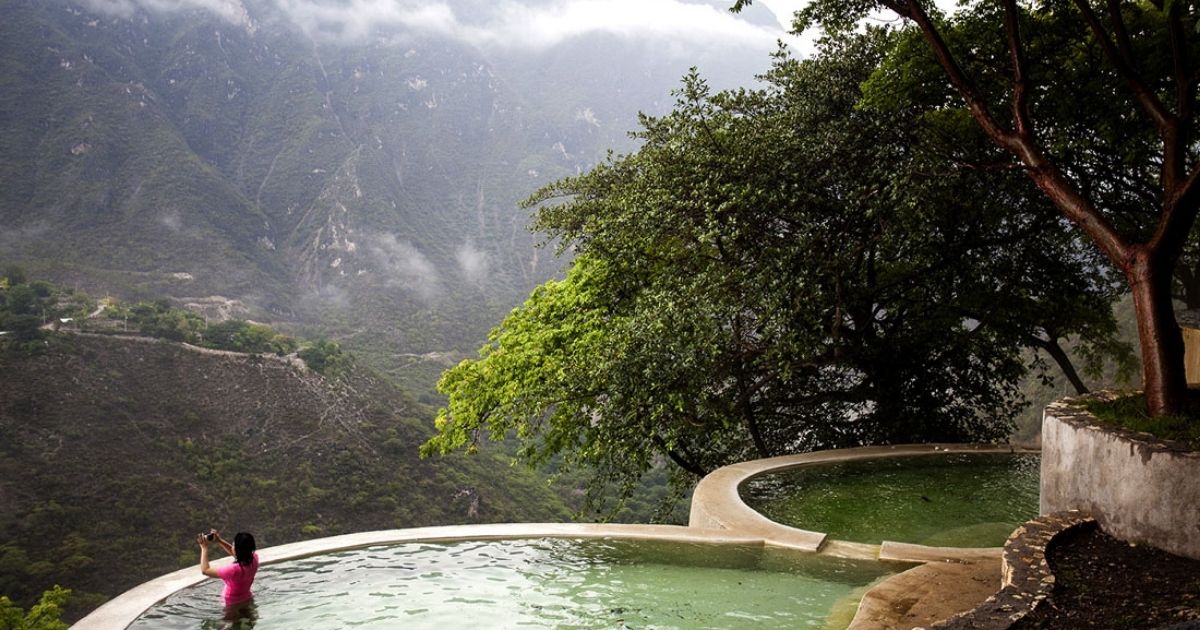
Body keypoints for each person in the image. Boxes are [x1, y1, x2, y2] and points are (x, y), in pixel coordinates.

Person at [197, 529, 259, 625]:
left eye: (233, 545)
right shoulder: (254, 558)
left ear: (238, 549)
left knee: (228, 626)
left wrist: (204, 548)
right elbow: (238, 554)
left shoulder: (233, 570)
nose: (232, 546)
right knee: (248, 624)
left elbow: (205, 570)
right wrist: (219, 541)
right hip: (247, 598)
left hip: (231, 604)